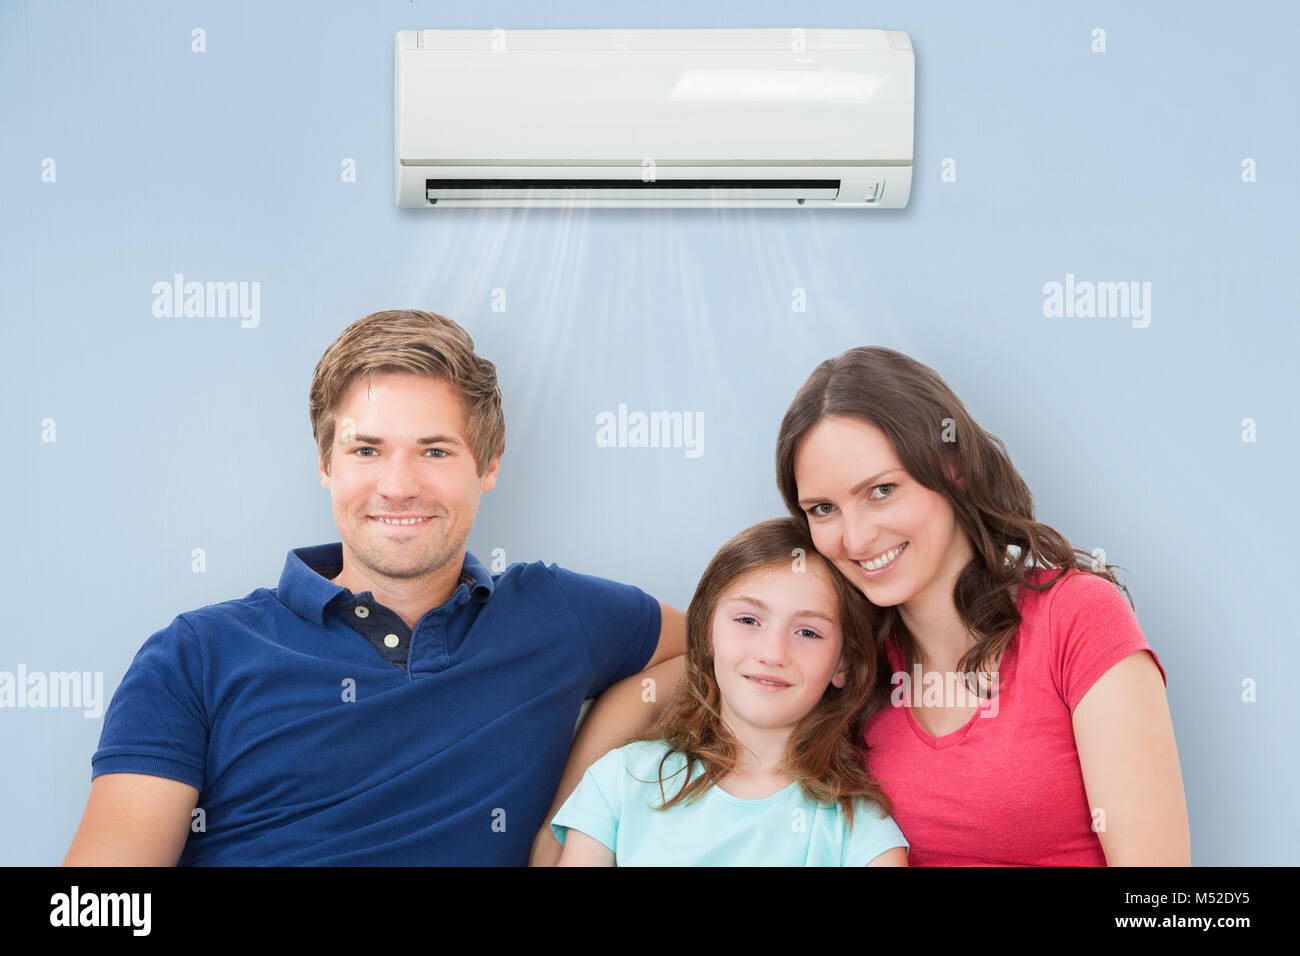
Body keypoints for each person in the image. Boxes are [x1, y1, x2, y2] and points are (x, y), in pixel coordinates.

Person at [62, 309, 686, 866]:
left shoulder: (557, 614)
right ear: (325, 464)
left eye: (435, 452)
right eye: (366, 450)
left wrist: (567, 813)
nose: (398, 485)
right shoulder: (196, 654)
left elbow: (714, 652)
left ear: (489, 466)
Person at [774, 346, 1190, 865]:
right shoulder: (841, 663)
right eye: (824, 509)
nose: (856, 538)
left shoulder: (1078, 618)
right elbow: (700, 677)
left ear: (955, 469)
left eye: (882, 490)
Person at [549, 518, 909, 866]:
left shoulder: (859, 828)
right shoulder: (620, 780)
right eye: (748, 620)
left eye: (808, 633)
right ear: (707, 632)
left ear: (843, 664)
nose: (772, 653)